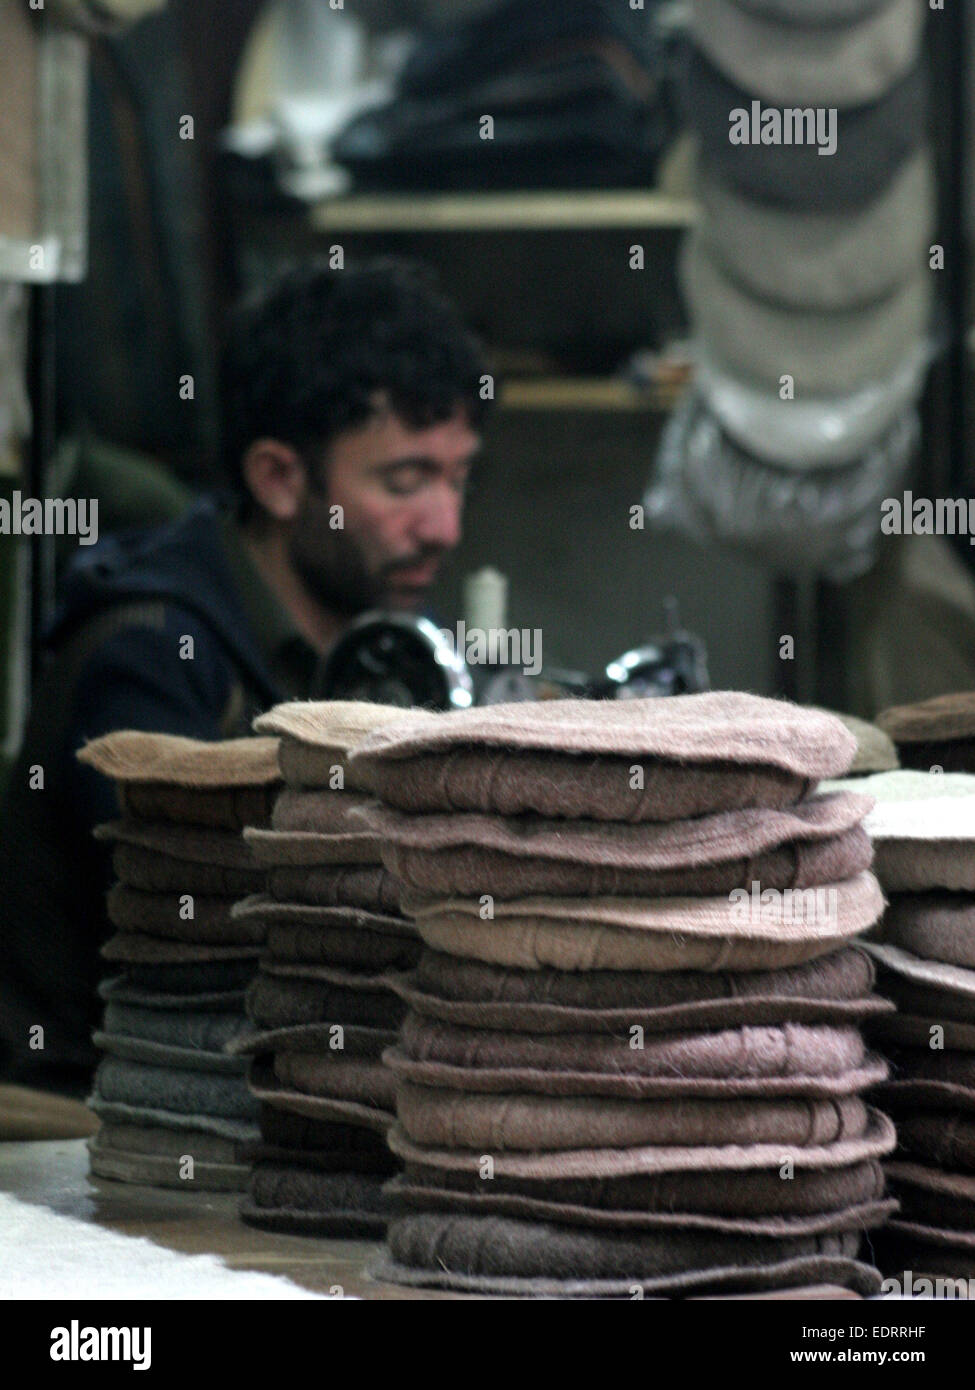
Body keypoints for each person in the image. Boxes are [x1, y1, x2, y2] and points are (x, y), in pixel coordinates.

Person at [0, 258, 491, 1096]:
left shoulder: (382, 642)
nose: (443, 525)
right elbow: (244, 947)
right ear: (277, 478)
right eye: (403, 482)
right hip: (82, 1124)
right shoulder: (147, 661)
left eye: (458, 477)